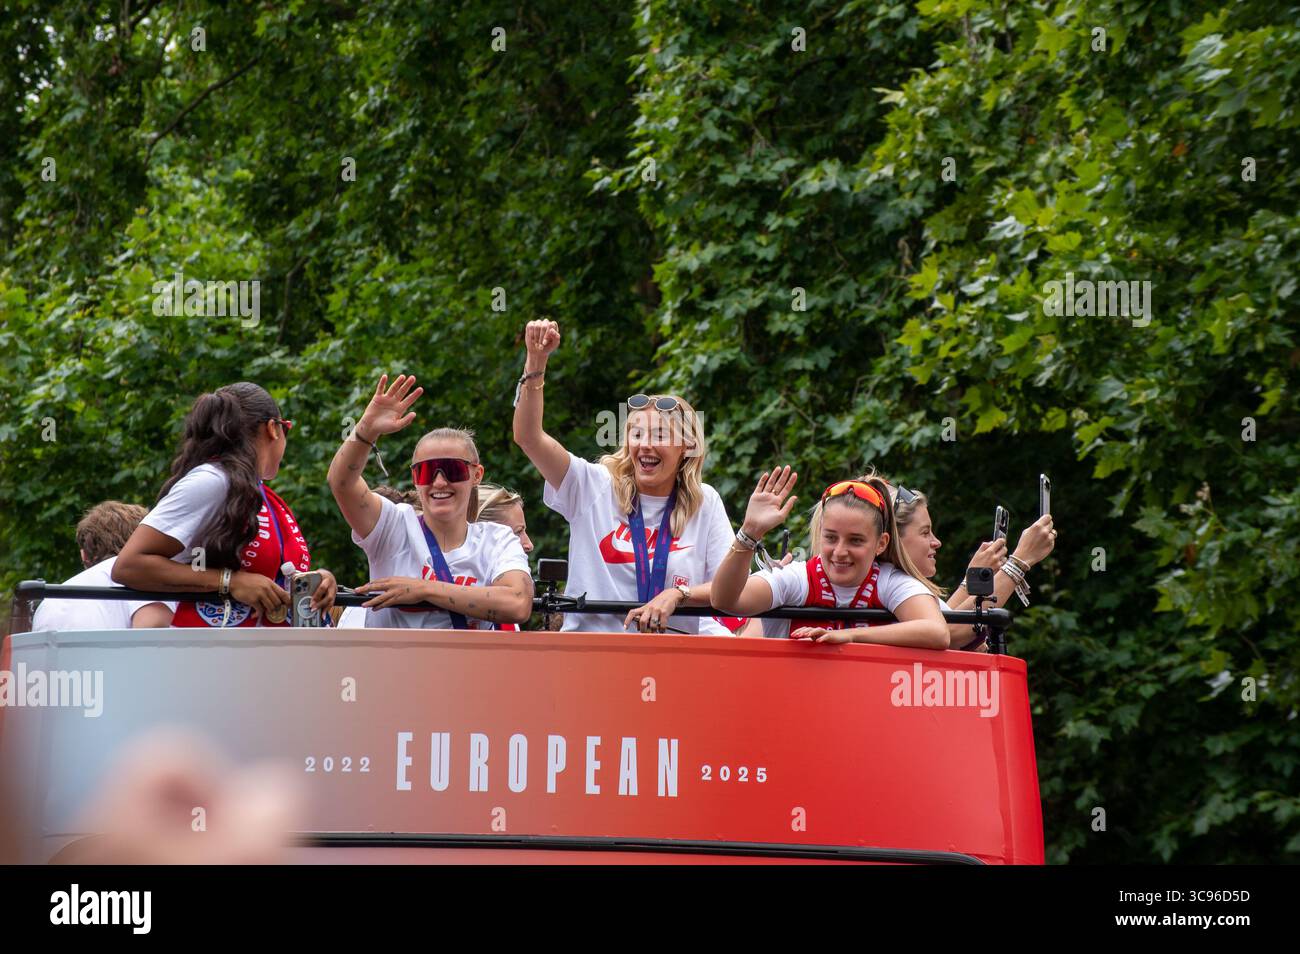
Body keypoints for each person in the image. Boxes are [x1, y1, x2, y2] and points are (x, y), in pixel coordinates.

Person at [511, 319, 734, 634]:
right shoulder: (593, 485)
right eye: (637, 433)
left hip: (679, 656)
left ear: (686, 446)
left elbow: (731, 587)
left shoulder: (705, 500)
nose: (645, 444)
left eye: (659, 435)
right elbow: (528, 437)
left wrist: (678, 595)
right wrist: (536, 361)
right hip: (597, 656)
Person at [114, 383, 337, 627]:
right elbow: (129, 565)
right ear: (273, 429)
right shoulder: (211, 481)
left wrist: (322, 580)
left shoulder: (258, 493)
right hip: (213, 655)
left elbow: (272, 574)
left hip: (265, 655)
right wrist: (230, 582)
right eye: (287, 429)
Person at [327, 373, 533, 629]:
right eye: (426, 471)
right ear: (415, 478)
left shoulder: (497, 540)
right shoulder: (394, 526)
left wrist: (424, 590)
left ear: (476, 475)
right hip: (393, 669)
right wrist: (366, 430)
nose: (438, 482)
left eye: (452, 469)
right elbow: (342, 483)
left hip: (468, 670)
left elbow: (518, 603)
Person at [710, 469, 948, 648]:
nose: (840, 551)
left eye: (855, 540)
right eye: (831, 538)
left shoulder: (888, 581)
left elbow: (937, 632)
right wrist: (749, 532)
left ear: (881, 543)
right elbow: (725, 600)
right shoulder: (797, 578)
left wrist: (850, 636)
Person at [887, 481, 1055, 649]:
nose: (937, 542)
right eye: (925, 532)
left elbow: (944, 621)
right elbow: (950, 635)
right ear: (894, 540)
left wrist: (970, 582)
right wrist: (1020, 561)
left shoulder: (892, 579)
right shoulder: (895, 581)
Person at [31, 502, 174, 631]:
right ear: (143, 540)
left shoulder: (48, 603)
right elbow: (153, 629)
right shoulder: (142, 573)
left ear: (84, 556)